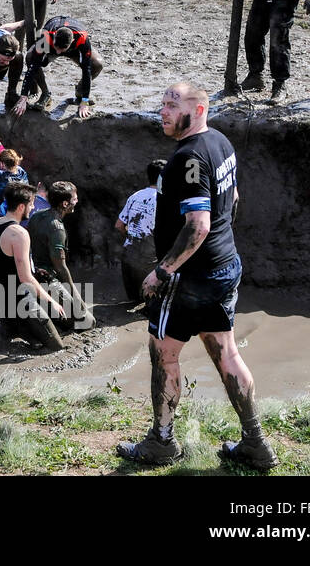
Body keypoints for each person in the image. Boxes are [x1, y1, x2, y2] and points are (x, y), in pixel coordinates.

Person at [117, 82, 278, 471]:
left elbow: (198, 225)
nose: (164, 111)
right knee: (227, 353)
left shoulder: (187, 158)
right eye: (163, 103)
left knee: (163, 351)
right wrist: (218, 246)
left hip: (188, 279)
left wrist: (162, 271)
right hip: (224, 267)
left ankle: (162, 442)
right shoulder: (221, 143)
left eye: (173, 104)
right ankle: (256, 443)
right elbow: (233, 198)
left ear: (200, 109)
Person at [0, 181, 70, 347]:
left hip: (4, 301)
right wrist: (51, 301)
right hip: (23, 302)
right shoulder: (19, 234)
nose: (32, 208)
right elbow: (25, 278)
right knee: (56, 348)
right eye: (31, 204)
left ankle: (23, 330)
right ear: (20, 207)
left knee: (17, 339)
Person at [27, 181, 93, 329]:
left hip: (33, 274)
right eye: (74, 199)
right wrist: (77, 298)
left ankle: (46, 308)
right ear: (65, 203)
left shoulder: (36, 216)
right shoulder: (57, 228)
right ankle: (50, 315)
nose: (76, 201)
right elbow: (61, 267)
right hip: (48, 279)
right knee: (88, 322)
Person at [12, 15, 105, 119]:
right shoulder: (45, 35)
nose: (58, 52)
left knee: (97, 64)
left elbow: (86, 69)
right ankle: (46, 93)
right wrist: (23, 96)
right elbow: (33, 66)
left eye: (62, 50)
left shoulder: (82, 37)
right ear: (55, 35)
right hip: (49, 47)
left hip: (73, 50)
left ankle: (80, 91)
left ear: (73, 41)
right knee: (30, 57)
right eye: (57, 48)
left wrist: (85, 100)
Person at [117, 158, 166, 297]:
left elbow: (119, 225)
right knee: (151, 303)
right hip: (150, 260)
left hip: (128, 256)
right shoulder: (164, 199)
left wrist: (133, 235)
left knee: (132, 301)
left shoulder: (135, 196)